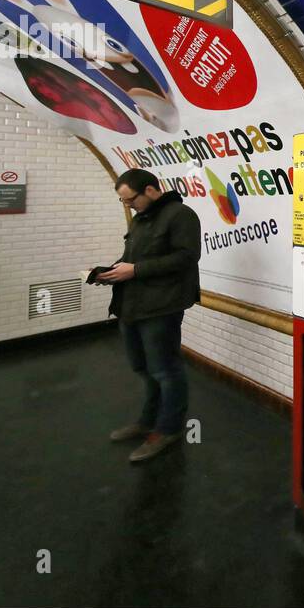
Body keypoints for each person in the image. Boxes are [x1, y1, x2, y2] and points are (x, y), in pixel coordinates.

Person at [96, 168, 201, 463]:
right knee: (143, 367)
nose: (128, 205)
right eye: (124, 202)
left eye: (131, 199)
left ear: (151, 191)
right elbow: (133, 258)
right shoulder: (142, 219)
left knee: (166, 370)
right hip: (133, 306)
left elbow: (186, 257)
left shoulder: (181, 215)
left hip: (161, 307)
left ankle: (168, 429)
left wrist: (136, 270)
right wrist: (112, 270)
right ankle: (148, 420)